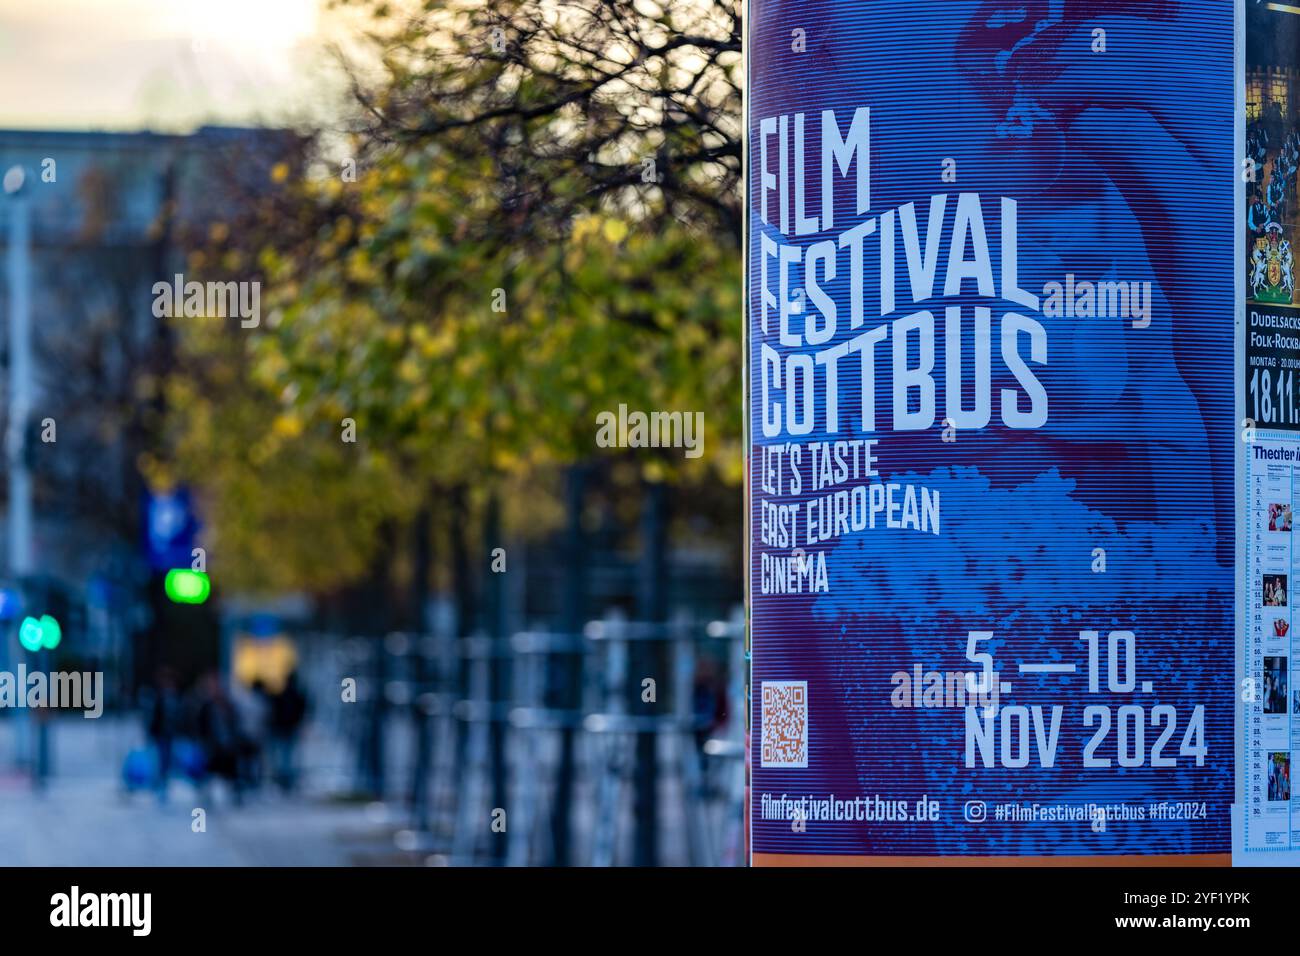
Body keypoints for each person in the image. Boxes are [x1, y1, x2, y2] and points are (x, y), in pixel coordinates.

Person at [147, 667, 184, 802]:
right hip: (161, 734)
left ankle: (163, 784)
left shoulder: (176, 697)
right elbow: (153, 717)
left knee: (167, 760)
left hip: (171, 734)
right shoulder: (158, 697)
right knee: (160, 759)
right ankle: (159, 784)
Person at [269, 670, 309, 793]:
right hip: (288, 729)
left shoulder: (283, 695)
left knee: (284, 757)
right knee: (288, 757)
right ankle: (286, 780)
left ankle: (284, 780)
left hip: (284, 729)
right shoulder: (296, 695)